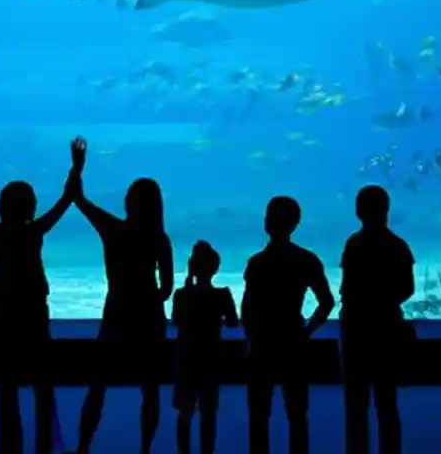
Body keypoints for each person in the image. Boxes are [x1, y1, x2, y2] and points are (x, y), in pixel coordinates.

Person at [0, 137, 84, 454]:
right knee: (42, 382)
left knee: (6, 386)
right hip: (34, 311)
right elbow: (66, 200)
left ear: (0, 205)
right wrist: (76, 167)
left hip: (3, 311)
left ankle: (11, 446)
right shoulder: (35, 229)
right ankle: (47, 444)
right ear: (31, 206)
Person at [68, 162, 174, 454]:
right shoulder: (159, 239)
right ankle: (144, 450)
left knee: (98, 385)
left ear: (130, 202)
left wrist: (77, 167)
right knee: (149, 389)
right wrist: (145, 299)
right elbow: (165, 288)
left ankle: (82, 448)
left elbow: (77, 198)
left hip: (115, 315)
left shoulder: (112, 229)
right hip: (149, 319)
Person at [242, 196, 334, 454]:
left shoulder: (256, 263)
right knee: (297, 414)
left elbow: (247, 308)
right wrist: (307, 331)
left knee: (259, 415)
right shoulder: (307, 259)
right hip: (294, 342)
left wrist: (250, 338)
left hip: (261, 345)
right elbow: (326, 302)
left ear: (267, 222)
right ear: (296, 224)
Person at [340, 185, 416, 454]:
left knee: (355, 405)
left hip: (355, 331)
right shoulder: (398, 246)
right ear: (387, 210)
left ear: (358, 211)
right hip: (386, 329)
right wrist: (384, 301)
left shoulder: (353, 244)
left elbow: (346, 288)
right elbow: (408, 288)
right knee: (387, 403)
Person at [171, 240, 239, 454]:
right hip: (211, 360)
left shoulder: (181, 295)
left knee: (185, 412)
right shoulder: (222, 295)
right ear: (215, 268)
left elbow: (176, 320)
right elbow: (233, 322)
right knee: (208, 414)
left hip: (186, 359)